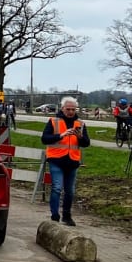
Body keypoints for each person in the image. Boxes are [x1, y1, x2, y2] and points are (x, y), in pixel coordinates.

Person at [40, 97, 90, 226]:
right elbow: (45, 139)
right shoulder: (53, 121)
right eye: (68, 109)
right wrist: (61, 135)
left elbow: (86, 143)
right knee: (57, 187)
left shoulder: (80, 123)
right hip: (56, 159)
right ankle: (55, 215)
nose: (71, 112)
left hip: (72, 160)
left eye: (73, 109)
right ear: (62, 109)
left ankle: (67, 216)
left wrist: (80, 137)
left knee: (70, 190)